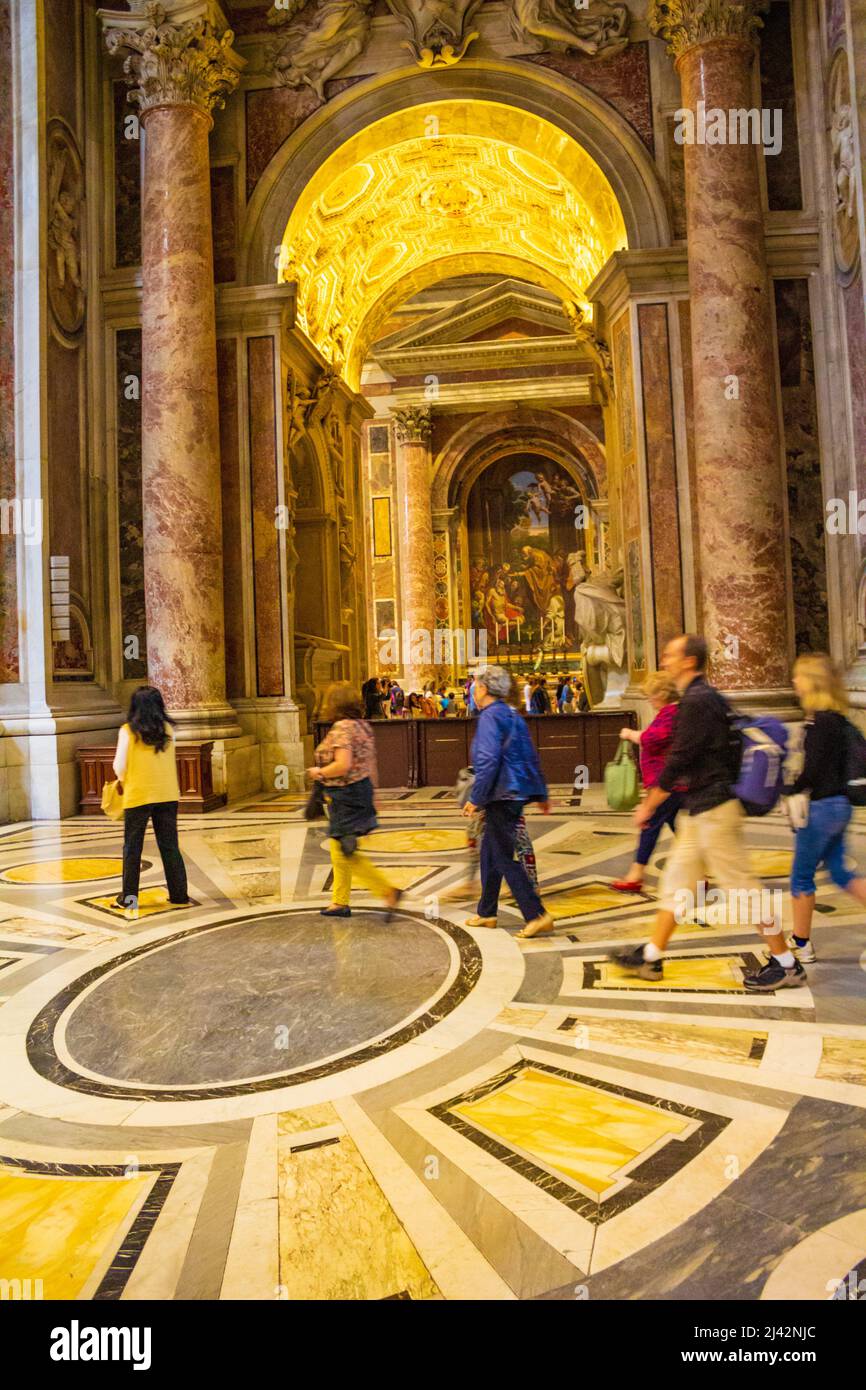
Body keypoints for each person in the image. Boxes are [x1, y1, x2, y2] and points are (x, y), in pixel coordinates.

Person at [611, 634, 806, 991]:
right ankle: (652, 955)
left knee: (742, 888)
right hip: (700, 810)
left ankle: (786, 962)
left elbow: (679, 759)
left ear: (688, 661)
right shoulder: (703, 697)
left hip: (715, 811)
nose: (665, 661)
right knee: (676, 884)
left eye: (670, 655)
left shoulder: (698, 702)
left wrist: (649, 805)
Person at [783, 653, 866, 963]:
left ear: (813, 681)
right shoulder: (839, 719)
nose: (794, 681)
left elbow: (813, 770)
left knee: (801, 878)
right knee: (842, 874)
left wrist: (790, 787)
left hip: (820, 809)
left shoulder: (820, 722)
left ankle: (801, 944)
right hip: (840, 806)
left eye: (799, 675)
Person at [462, 666, 553, 938]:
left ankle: (536, 914)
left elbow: (489, 761)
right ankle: (487, 912)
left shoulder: (490, 717)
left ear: (484, 689)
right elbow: (529, 755)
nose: (473, 691)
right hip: (514, 792)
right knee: (491, 852)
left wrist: (476, 798)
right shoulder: (512, 714)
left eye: (476, 686)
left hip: (501, 794)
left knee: (502, 856)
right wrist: (540, 793)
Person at [307, 682, 402, 919]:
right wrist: (374, 793)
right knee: (339, 848)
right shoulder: (363, 726)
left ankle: (387, 891)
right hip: (360, 791)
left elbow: (343, 764)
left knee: (346, 850)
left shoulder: (342, 728)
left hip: (345, 795)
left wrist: (319, 773)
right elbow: (370, 764)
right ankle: (340, 901)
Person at [112, 686, 189, 915]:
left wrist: (124, 780)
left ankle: (130, 898)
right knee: (170, 846)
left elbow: (119, 766)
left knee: (132, 848)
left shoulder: (127, 731)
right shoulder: (168, 730)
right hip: (167, 793)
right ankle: (179, 894)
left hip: (138, 795)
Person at [611, 671, 683, 892]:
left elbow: (653, 739)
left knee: (649, 825)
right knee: (681, 829)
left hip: (665, 784)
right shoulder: (672, 712)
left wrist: (630, 734)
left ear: (661, 694)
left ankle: (636, 874)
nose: (649, 700)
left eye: (651, 695)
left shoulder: (670, 713)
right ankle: (698, 873)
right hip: (673, 784)